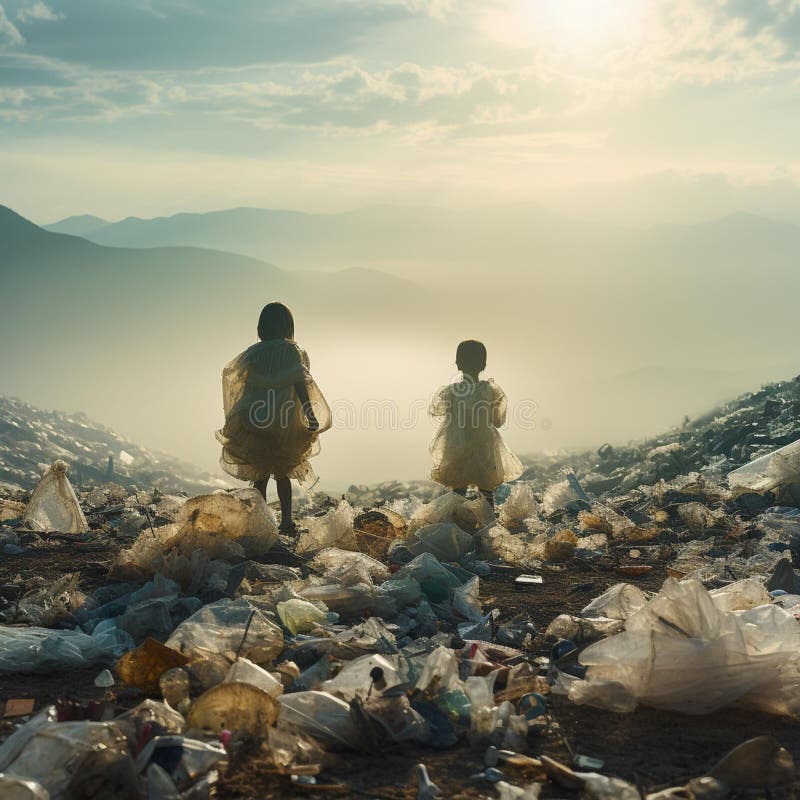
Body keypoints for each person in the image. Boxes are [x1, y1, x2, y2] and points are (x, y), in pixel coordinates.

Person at [216, 302, 330, 532]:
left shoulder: (253, 353)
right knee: (282, 473)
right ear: (288, 326)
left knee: (260, 475)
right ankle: (286, 521)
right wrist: (309, 412)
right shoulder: (291, 351)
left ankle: (259, 521)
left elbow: (241, 384)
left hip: (255, 419)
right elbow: (300, 382)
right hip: (283, 422)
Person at [429, 339, 523, 506]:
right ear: (483, 364)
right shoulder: (490, 390)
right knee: (486, 487)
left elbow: (439, 411)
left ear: (458, 363)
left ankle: (458, 519)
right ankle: (488, 522)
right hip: (483, 444)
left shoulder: (451, 392)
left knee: (459, 488)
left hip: (456, 446)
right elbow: (497, 420)